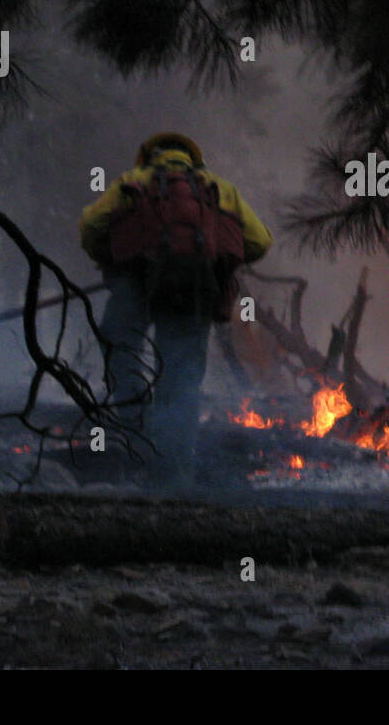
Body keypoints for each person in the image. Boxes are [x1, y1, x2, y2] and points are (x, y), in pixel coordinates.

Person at [79, 132, 272, 484]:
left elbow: (89, 227)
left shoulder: (132, 182)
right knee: (180, 380)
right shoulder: (219, 189)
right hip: (191, 287)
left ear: (148, 156)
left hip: (133, 288)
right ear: (192, 159)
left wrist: (114, 262)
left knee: (121, 356)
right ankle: (174, 473)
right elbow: (260, 241)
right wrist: (216, 256)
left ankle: (134, 443)